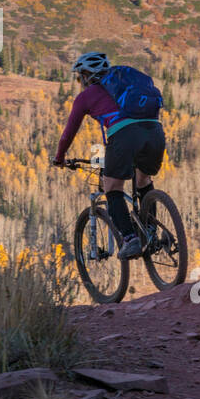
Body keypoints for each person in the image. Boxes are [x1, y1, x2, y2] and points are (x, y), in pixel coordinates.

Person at [52, 51, 166, 259]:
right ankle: (151, 232)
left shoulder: (86, 96)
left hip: (124, 136)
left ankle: (130, 239)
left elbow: (68, 133)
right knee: (143, 179)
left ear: (87, 75)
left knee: (112, 186)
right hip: (155, 131)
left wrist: (59, 158)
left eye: (79, 77)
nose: (79, 82)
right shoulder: (126, 84)